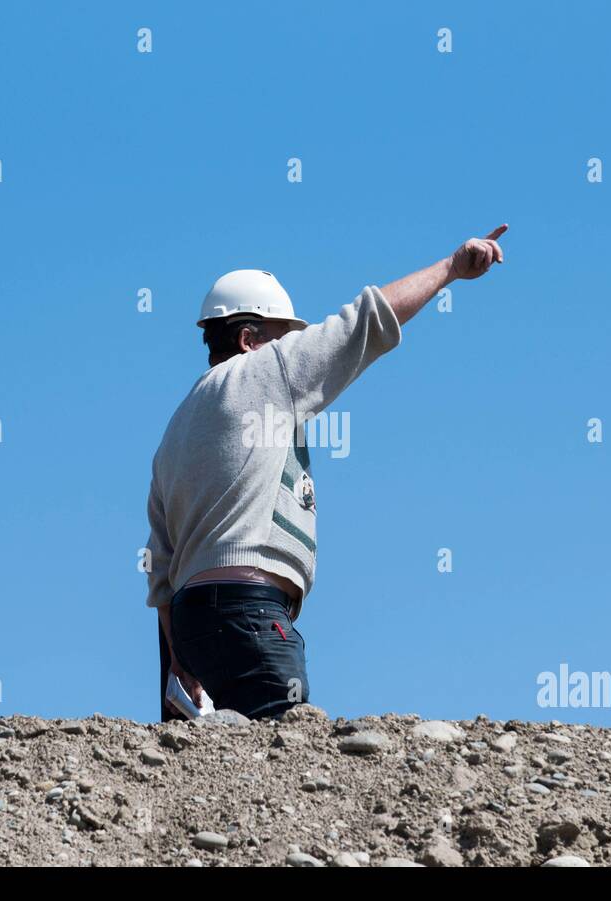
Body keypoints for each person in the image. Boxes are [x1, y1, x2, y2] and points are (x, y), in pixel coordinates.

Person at [147, 225, 507, 720]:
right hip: (249, 609)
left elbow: (160, 572)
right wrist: (450, 269)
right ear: (249, 339)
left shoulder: (175, 431)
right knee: (282, 748)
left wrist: (179, 664)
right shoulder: (263, 374)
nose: (291, 350)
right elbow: (364, 323)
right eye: (282, 339)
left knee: (234, 761)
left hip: (193, 626)